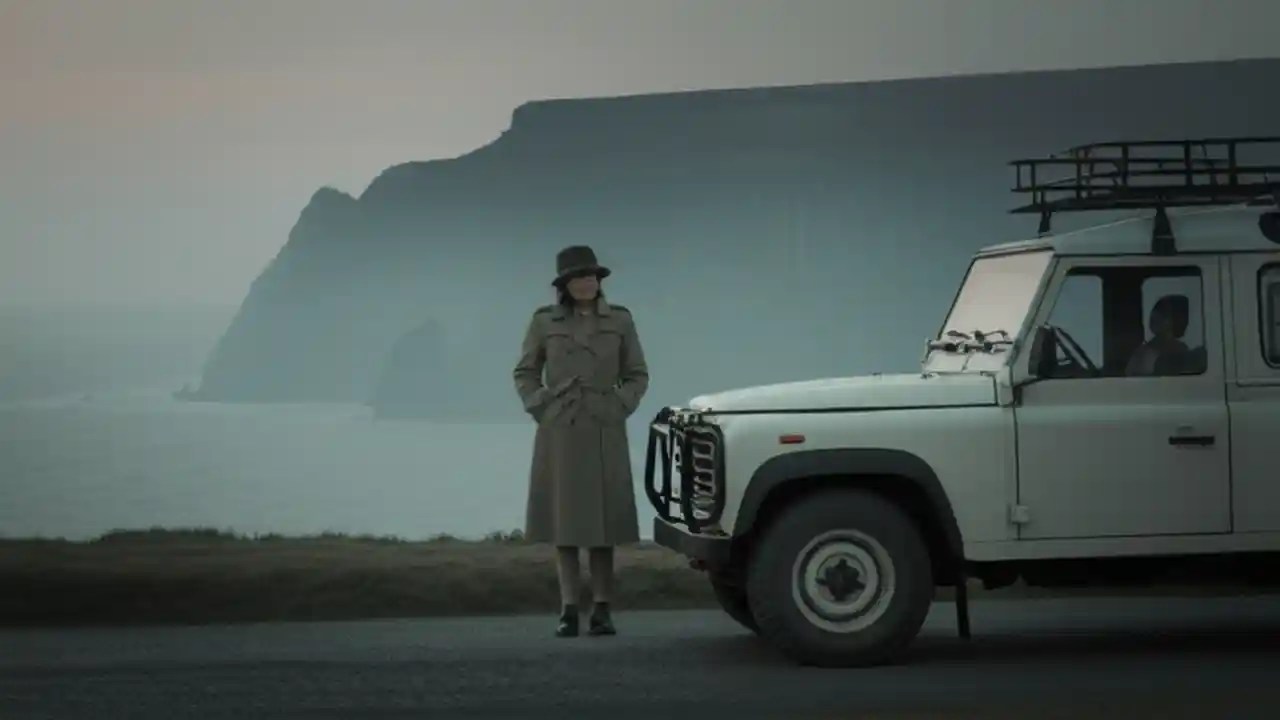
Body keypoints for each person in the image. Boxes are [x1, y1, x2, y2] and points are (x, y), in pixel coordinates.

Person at [512, 245, 650, 638]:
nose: (586, 283)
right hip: (560, 429)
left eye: (592, 277)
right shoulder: (544, 322)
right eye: (578, 278)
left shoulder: (620, 320)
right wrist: (541, 405)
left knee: (604, 528)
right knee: (565, 527)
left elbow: (637, 373)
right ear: (565, 285)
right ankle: (569, 609)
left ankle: (603, 609)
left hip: (605, 427)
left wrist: (619, 405)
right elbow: (525, 372)